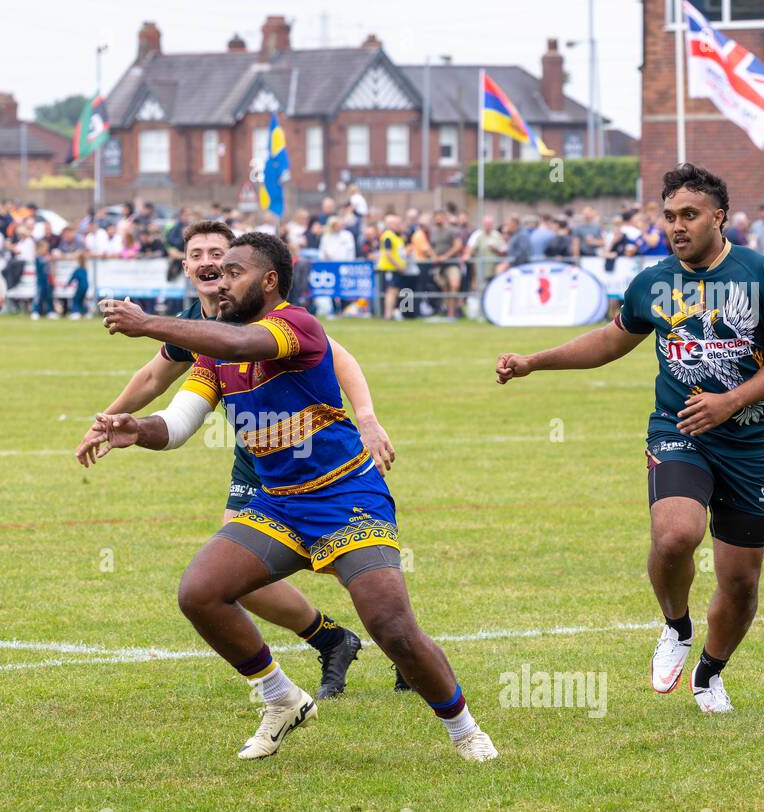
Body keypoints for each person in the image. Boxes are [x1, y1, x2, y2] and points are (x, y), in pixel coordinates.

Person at [86, 233, 498, 761]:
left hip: (347, 496)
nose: (221, 280)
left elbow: (240, 345)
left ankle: (464, 729)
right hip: (277, 503)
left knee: (393, 628)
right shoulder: (215, 352)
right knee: (201, 592)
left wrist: (147, 324)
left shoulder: (294, 325)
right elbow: (179, 422)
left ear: (269, 280)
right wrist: (136, 429)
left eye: (234, 272)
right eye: (217, 271)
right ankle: (281, 697)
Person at [496, 163, 764, 715]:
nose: (677, 226)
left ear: (720, 217)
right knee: (674, 536)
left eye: (689, 215)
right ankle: (676, 627)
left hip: (748, 443)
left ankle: (709, 674)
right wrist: (532, 363)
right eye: (669, 217)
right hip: (678, 430)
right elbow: (611, 341)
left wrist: (730, 401)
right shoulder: (654, 281)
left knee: (740, 583)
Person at [75, 222, 397, 698]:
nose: (209, 263)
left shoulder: (275, 318)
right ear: (186, 267)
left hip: (315, 448)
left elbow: (337, 356)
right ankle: (331, 639)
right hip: (256, 453)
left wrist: (367, 416)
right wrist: (111, 419)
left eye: (219, 255)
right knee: (239, 573)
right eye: (197, 253)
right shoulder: (192, 323)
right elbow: (153, 379)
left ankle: (397, 644)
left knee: (345, 557)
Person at [376, 215, 407, 320]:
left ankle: (391, 313)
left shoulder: (396, 236)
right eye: (397, 223)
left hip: (395, 268)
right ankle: (388, 315)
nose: (400, 225)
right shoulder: (388, 236)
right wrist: (398, 266)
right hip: (390, 268)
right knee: (391, 292)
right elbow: (388, 254)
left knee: (394, 291)